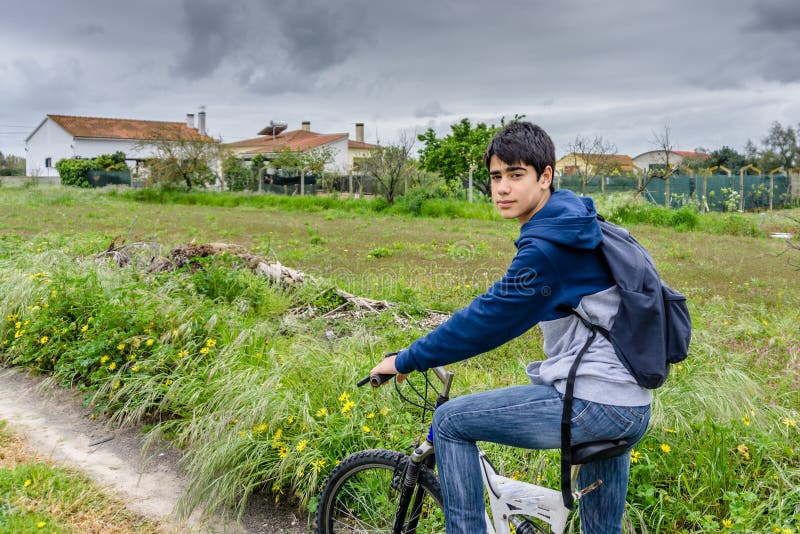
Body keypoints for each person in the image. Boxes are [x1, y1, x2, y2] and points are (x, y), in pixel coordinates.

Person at [369, 121, 651, 533]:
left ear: (546, 176)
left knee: (449, 421)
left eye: (516, 175)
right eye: (495, 177)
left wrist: (407, 360)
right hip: (631, 402)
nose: (502, 188)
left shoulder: (549, 248)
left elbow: (488, 318)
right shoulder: (576, 222)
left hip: (595, 400)